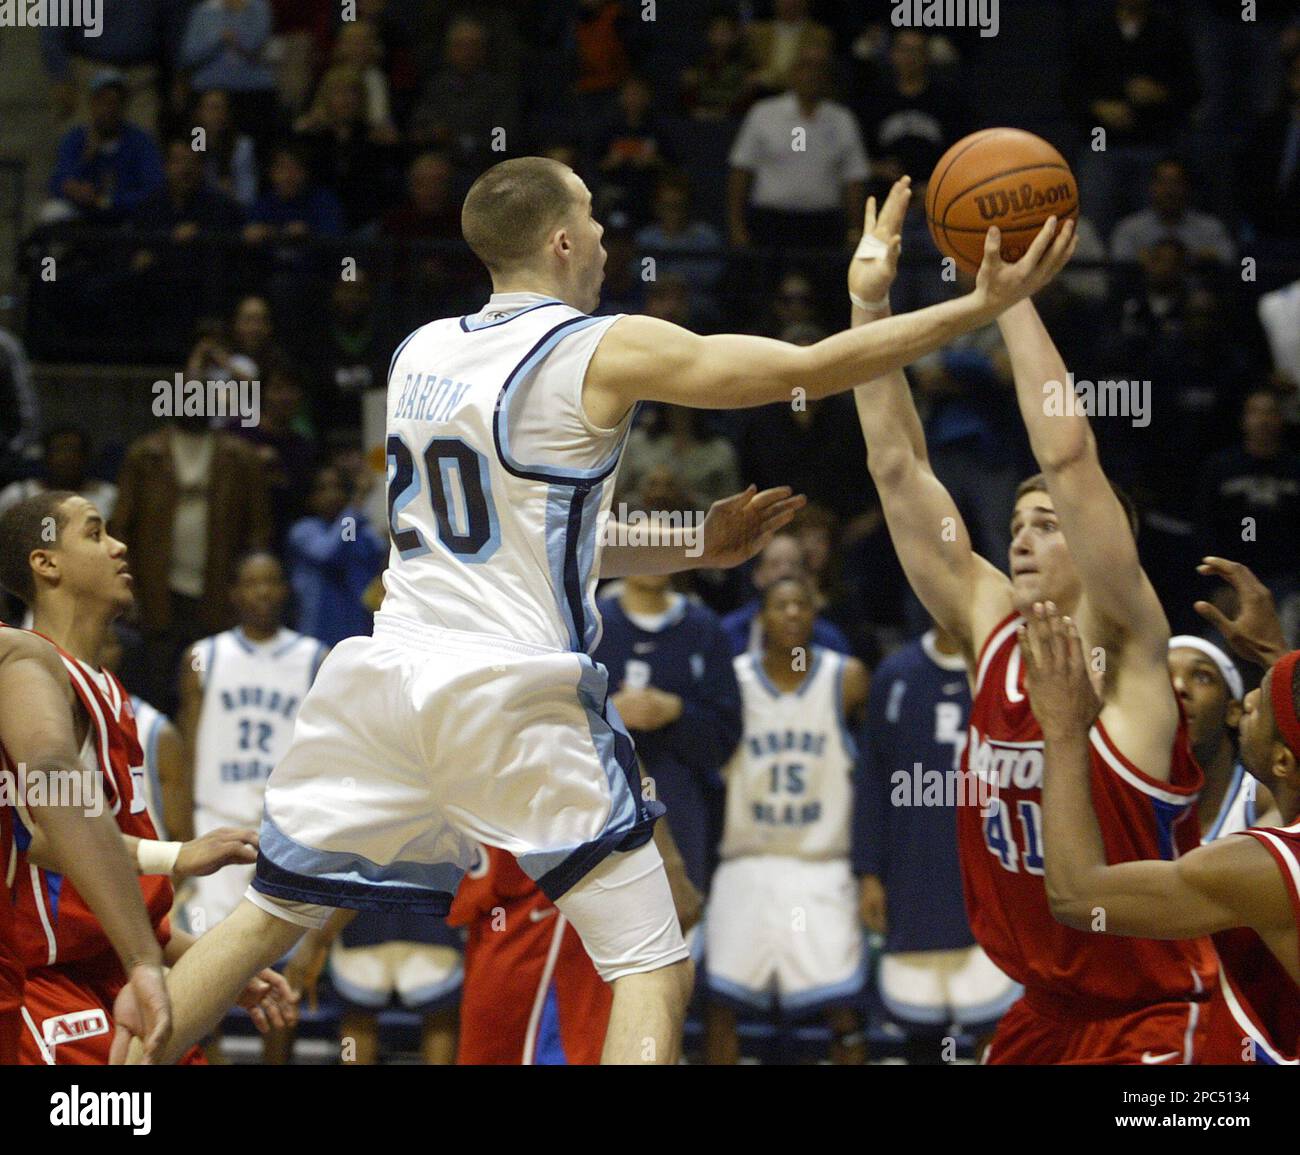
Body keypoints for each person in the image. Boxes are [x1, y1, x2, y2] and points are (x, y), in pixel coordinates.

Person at [130, 154, 1071, 1067]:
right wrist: (978, 306)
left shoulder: (420, 350)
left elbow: (517, 533)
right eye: (591, 214)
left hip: (384, 677)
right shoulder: (594, 344)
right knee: (653, 969)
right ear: (562, 240)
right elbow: (808, 367)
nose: (608, 234)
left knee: (266, 917)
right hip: (506, 686)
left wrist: (693, 544)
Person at [853, 176, 1215, 1064]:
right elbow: (899, 468)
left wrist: (1008, 299)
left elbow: (1065, 449)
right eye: (1014, 523)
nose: (1021, 535)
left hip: (1155, 1012)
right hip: (1042, 1007)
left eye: (1047, 522)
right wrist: (868, 306)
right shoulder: (991, 623)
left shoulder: (1127, 639)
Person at [0, 492, 292, 1064]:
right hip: (53, 984)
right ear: (46, 563)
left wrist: (206, 960)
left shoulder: (113, 693)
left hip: (120, 967)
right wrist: (176, 855)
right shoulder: (27, 667)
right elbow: (43, 835)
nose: (119, 546)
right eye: (94, 534)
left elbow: (106, 888)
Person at [1019, 596, 1298, 1065]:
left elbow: (1076, 895)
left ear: (1284, 760)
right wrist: (1278, 655)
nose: (1247, 699)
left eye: (1259, 704)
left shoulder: (1262, 869)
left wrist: (1063, 729)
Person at [704, 576, 870, 1064]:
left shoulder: (848, 679)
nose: (793, 613)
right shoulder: (734, 682)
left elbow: (877, 771)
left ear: (816, 615)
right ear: (762, 618)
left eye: (803, 604)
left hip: (820, 865)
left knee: (842, 1008)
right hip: (747, 864)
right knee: (720, 1003)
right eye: (782, 605)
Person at [0, 623, 173, 1064]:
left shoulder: (22, 658)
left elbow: (36, 831)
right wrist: (142, 960)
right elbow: (54, 780)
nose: (118, 549)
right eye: (97, 544)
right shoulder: (17, 656)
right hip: (53, 965)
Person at [854, 622, 1020, 1062]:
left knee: (998, 1024)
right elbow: (873, 777)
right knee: (921, 1028)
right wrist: (869, 873)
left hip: (994, 873)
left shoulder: (1008, 671)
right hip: (915, 874)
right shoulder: (896, 674)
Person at [1167, 635, 1276, 842]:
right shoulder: (1126, 799)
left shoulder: (1260, 794)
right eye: (1164, 677)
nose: (1178, 687)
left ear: (1233, 712)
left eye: (1202, 677)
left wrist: (1277, 657)